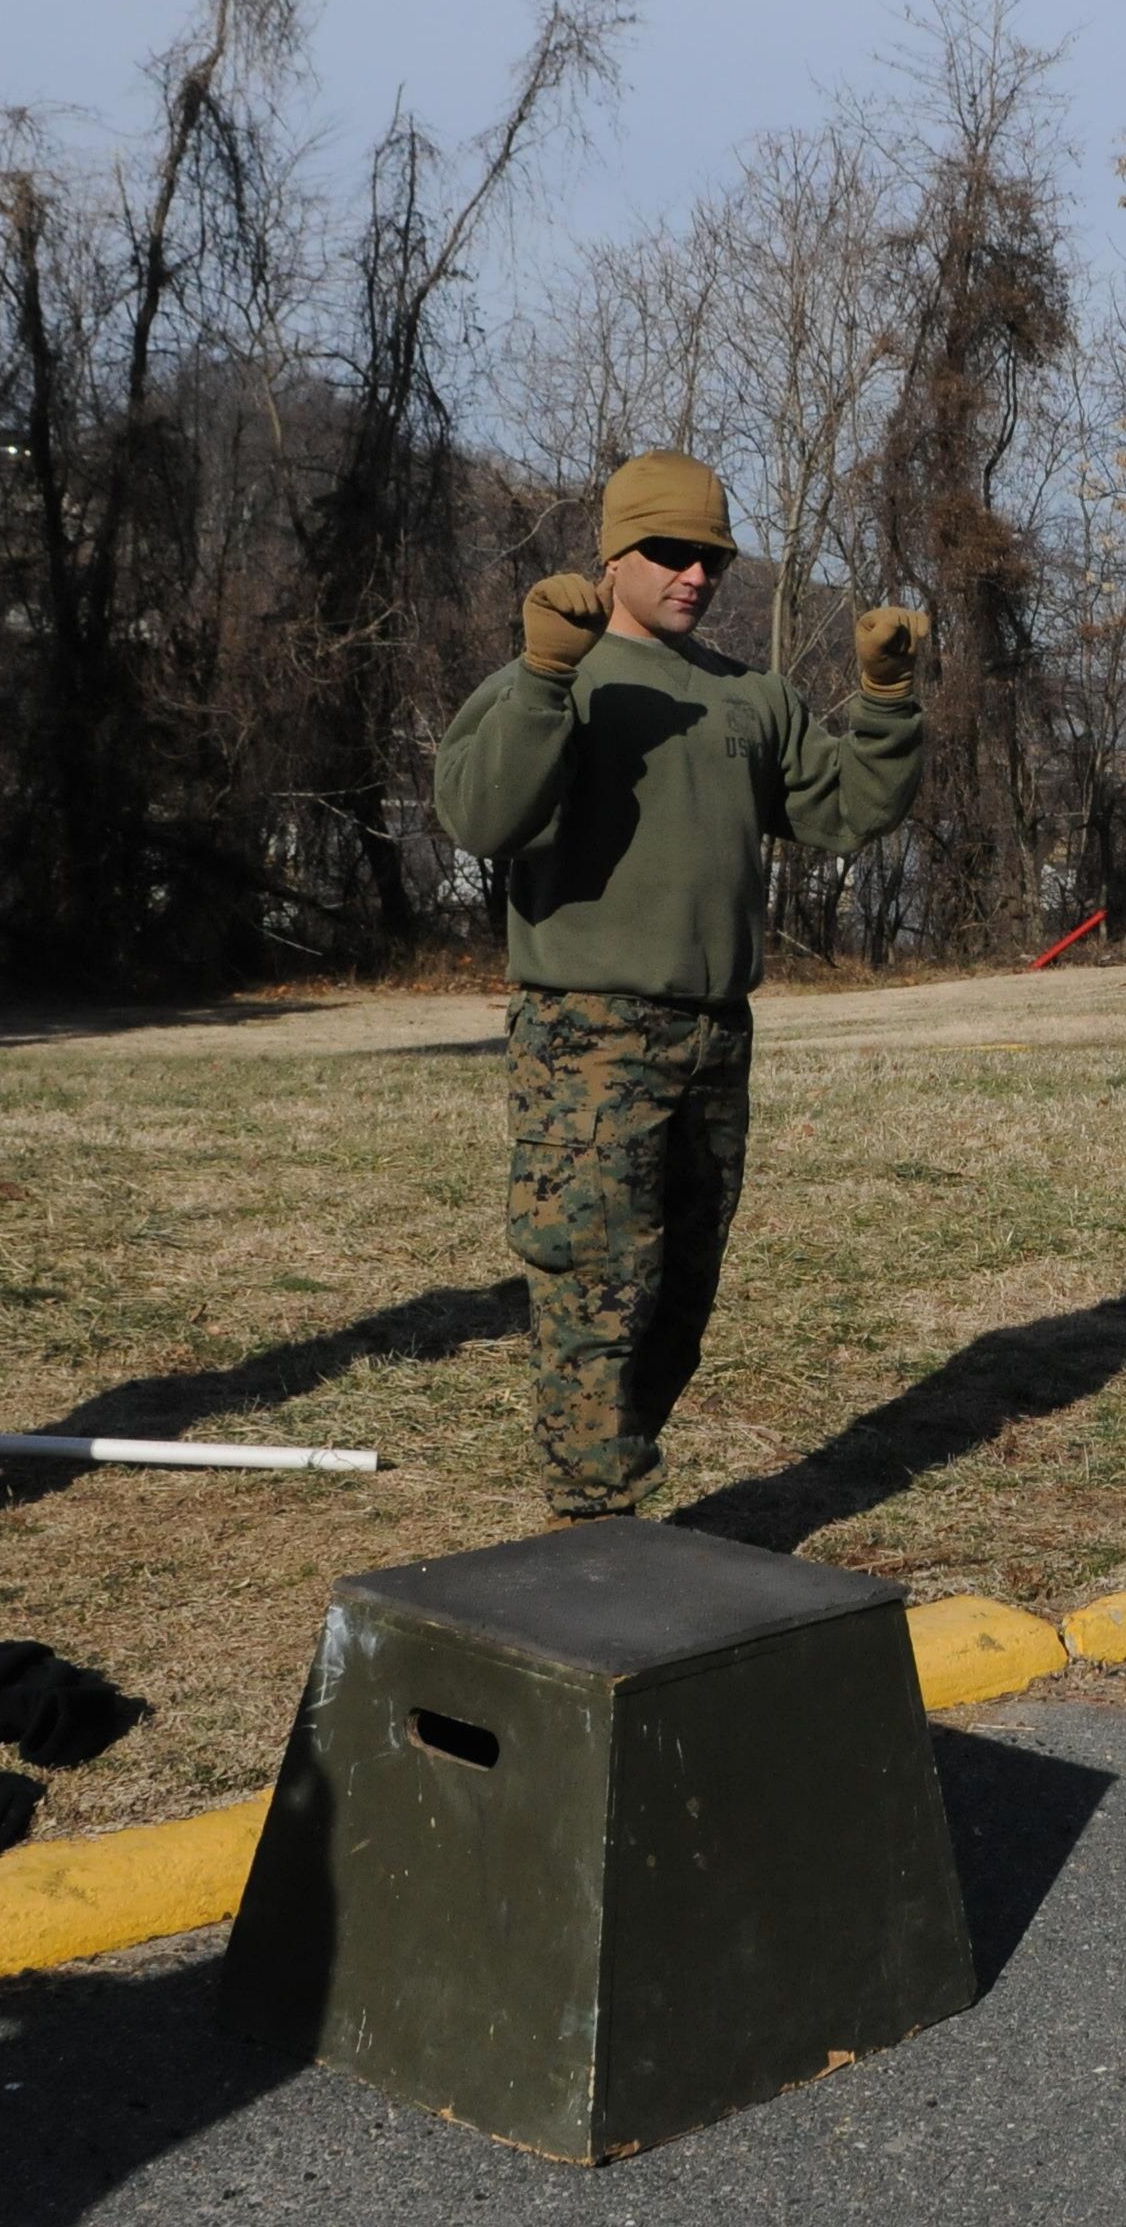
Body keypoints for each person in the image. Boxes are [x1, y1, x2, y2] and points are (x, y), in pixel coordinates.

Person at [431, 451, 927, 1522]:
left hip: (715, 1033)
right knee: (593, 1286)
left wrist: (885, 701)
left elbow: (846, 810)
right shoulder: (557, 676)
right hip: (588, 1033)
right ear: (614, 557)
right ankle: (594, 1522)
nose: (694, 574)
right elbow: (480, 814)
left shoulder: (748, 696)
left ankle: (617, 1490)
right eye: (668, 553)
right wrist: (540, 680)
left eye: (710, 555)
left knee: (679, 1293)